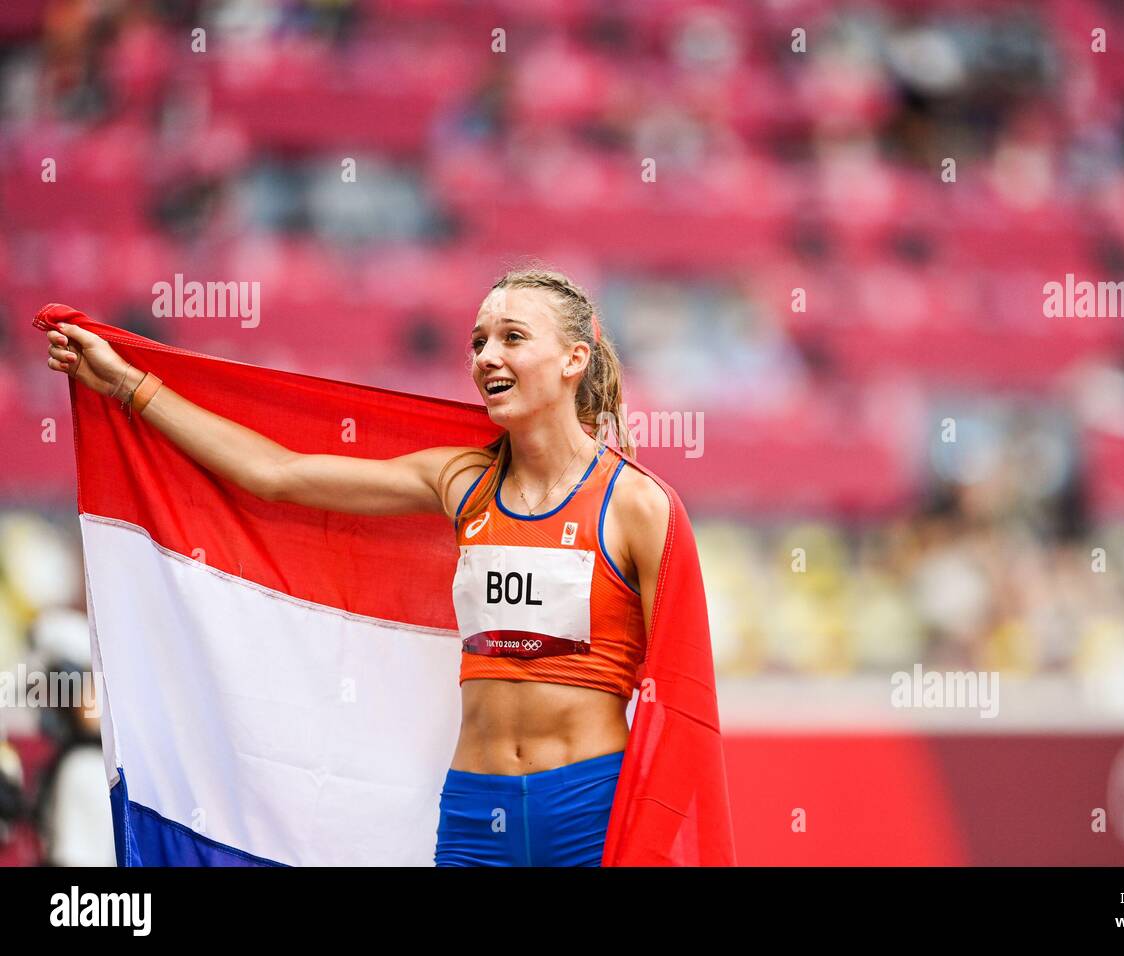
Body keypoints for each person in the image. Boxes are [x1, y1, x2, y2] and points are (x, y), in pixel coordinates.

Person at [43, 268, 672, 867]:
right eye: (478, 341)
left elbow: (679, 693)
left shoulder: (637, 505)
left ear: (573, 359)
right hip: (478, 809)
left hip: (590, 804)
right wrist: (129, 385)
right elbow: (276, 474)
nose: (486, 356)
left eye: (513, 337)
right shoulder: (461, 480)